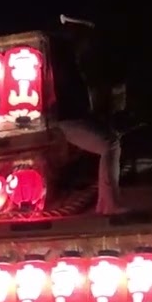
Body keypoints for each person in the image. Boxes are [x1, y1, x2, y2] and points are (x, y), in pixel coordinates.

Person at [51, 14, 124, 215]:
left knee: (110, 141)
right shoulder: (67, 56)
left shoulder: (62, 53)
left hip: (66, 117)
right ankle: (109, 204)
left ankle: (105, 203)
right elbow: (75, 93)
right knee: (110, 144)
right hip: (66, 119)